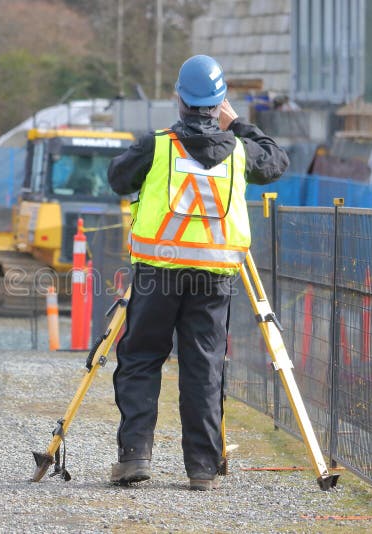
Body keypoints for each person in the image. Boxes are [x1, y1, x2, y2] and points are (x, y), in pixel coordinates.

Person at [106, 55, 289, 491]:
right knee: (204, 367)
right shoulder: (240, 150)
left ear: (179, 97)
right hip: (213, 278)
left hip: (158, 273)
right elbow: (277, 160)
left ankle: (134, 457)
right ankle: (202, 469)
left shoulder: (158, 145)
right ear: (219, 101)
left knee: (140, 359)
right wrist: (238, 123)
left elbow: (117, 179)